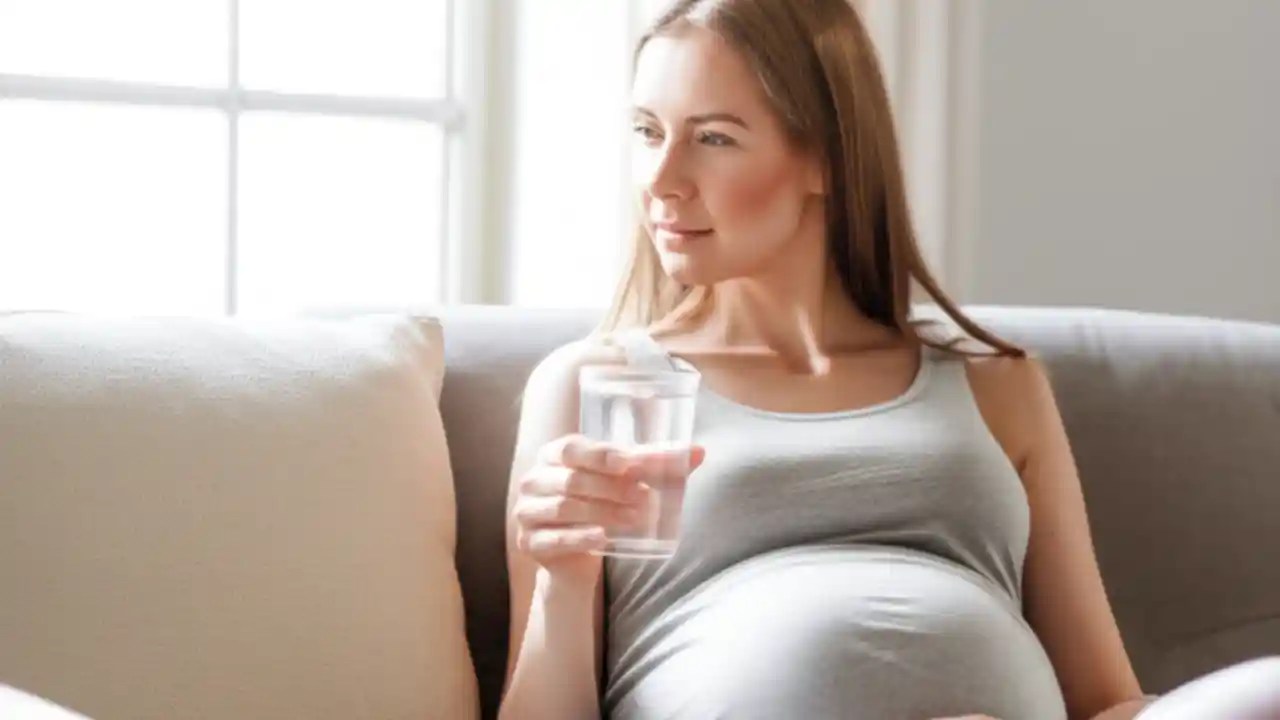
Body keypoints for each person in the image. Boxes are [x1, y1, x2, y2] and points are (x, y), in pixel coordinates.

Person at [497, 1, 1280, 718]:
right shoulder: (596, 386)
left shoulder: (996, 383)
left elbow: (1107, 703)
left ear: (828, 157)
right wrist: (563, 582)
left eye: (713, 138)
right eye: (646, 132)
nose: (662, 181)